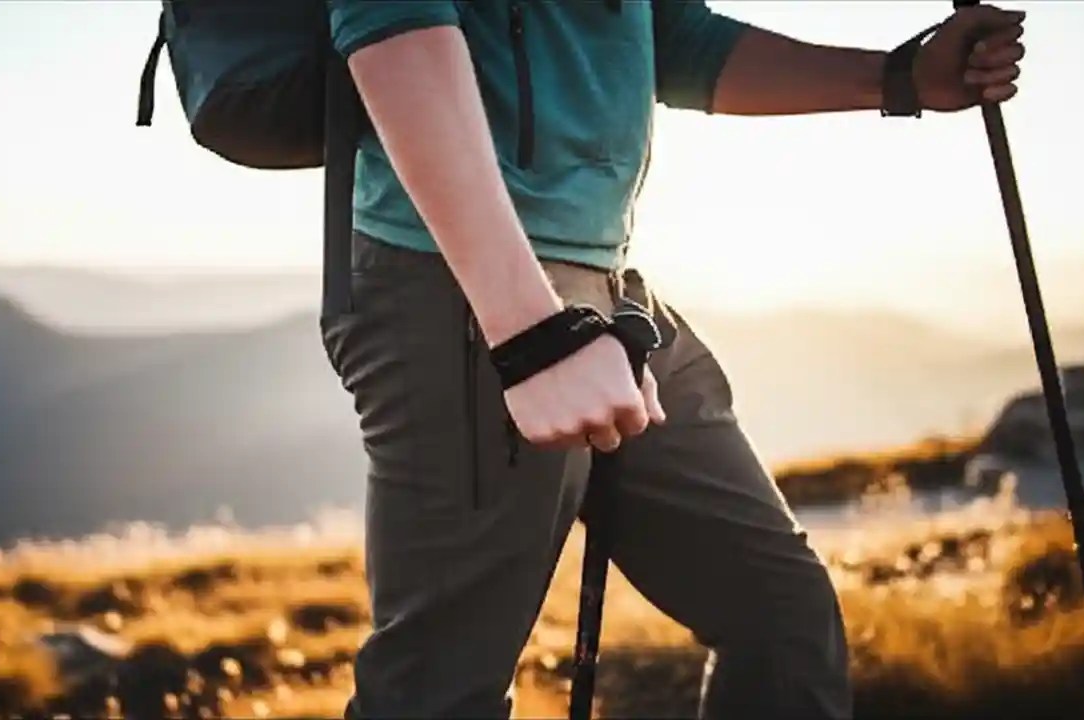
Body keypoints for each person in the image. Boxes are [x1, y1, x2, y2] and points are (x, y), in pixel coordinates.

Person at [319, 2, 1026, 718]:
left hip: (608, 286)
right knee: (439, 692)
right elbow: (393, 28)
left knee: (779, 615)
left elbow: (673, 38)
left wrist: (901, 78)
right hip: (455, 280)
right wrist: (528, 331)